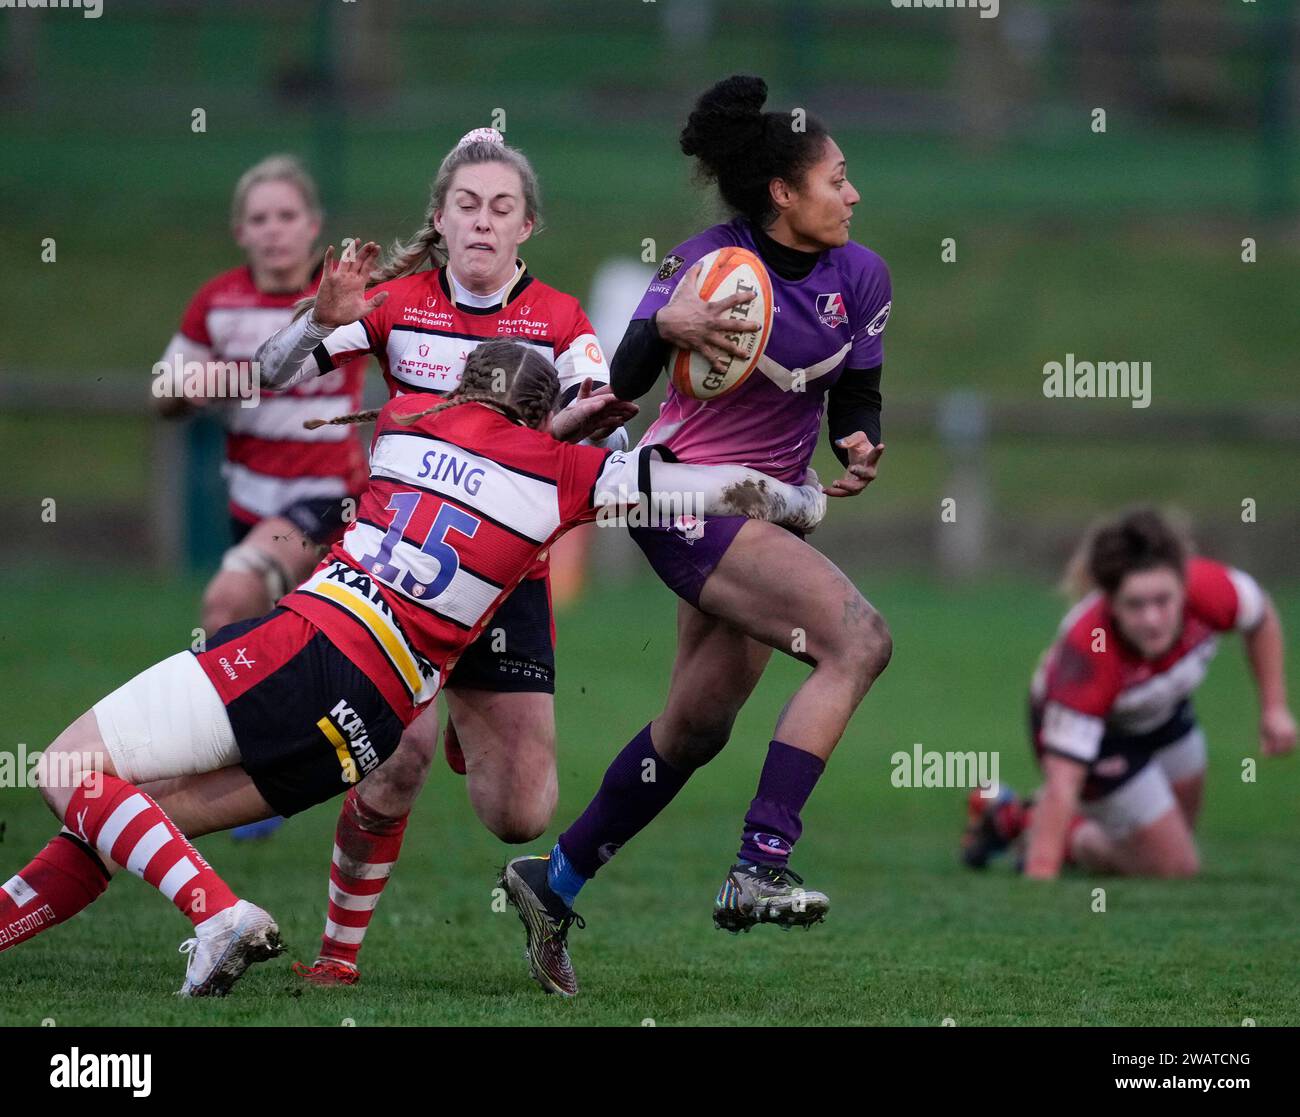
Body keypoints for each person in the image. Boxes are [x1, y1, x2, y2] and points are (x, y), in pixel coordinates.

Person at [0, 341, 826, 997]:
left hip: (310, 642)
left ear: (464, 390)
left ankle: (220, 912)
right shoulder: (568, 477)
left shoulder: (402, 423)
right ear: (543, 418)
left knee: (69, 766)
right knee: (117, 820)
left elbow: (416, 419)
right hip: (374, 716)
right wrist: (802, 502)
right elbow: (719, 487)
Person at [498, 74, 895, 997]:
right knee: (861, 638)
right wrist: (659, 324)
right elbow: (613, 396)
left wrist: (859, 438)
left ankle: (550, 883)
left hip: (764, 506)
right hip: (679, 499)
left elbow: (856, 389)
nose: (853, 193)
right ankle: (761, 862)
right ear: (782, 194)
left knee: (697, 724)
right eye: (838, 178)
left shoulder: (862, 276)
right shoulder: (707, 266)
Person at [253, 129, 629, 984]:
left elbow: (610, 437)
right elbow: (273, 373)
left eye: (502, 209)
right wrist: (319, 315)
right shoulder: (398, 304)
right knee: (396, 763)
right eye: (467, 206)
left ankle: (469, 719)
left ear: (528, 225)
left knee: (520, 815)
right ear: (440, 218)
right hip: (395, 575)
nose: (483, 223)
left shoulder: (562, 323)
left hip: (505, 584)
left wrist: (582, 427)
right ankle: (337, 957)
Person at [155, 154, 371, 841]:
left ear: (314, 227)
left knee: (227, 599)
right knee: (284, 640)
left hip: (327, 498)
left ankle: (228, 769)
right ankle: (257, 772)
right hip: (250, 500)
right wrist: (191, 387)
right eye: (259, 219)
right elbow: (164, 392)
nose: (274, 230)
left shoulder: (343, 298)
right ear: (239, 231)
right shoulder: (217, 301)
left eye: (287, 216)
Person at [962, 507, 1295, 879]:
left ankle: (1031, 817)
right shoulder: (1090, 650)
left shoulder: (1210, 589)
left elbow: (1260, 618)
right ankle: (1019, 822)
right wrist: (1040, 880)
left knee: (1177, 835)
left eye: (1163, 601)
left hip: (1162, 713)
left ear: (1183, 586)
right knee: (1174, 866)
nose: (1152, 619)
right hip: (1098, 736)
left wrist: (1274, 709)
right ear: (1110, 601)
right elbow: (1063, 780)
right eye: (1136, 605)